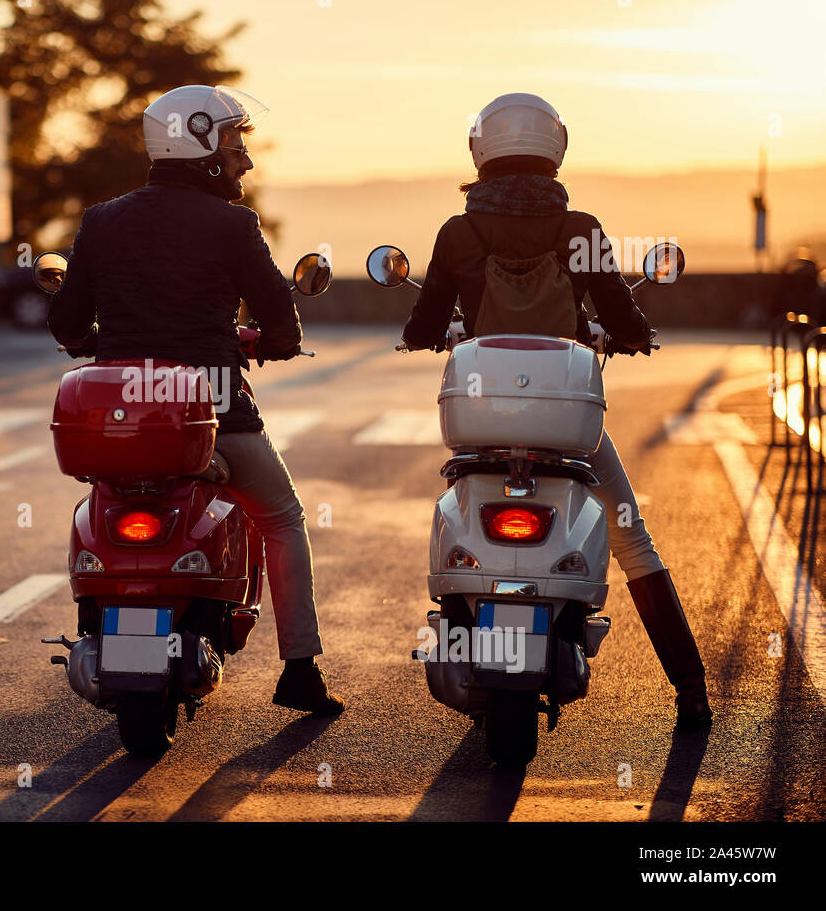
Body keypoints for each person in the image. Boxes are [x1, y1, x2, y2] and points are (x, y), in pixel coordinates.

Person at [402, 92, 712, 730]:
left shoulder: (457, 232)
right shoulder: (582, 230)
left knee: (460, 511)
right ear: (556, 146)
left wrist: (424, 334)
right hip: (564, 417)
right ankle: (690, 692)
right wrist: (632, 334)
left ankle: (464, 630)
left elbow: (426, 319)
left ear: (479, 148)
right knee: (634, 543)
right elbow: (620, 311)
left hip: (485, 419)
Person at [47, 84, 343, 715]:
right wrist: (275, 343)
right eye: (236, 141)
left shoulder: (102, 220)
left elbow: (67, 323)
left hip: (122, 424)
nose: (245, 159)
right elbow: (281, 322)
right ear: (203, 141)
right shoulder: (231, 223)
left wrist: (94, 341)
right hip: (214, 415)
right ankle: (299, 670)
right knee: (283, 519)